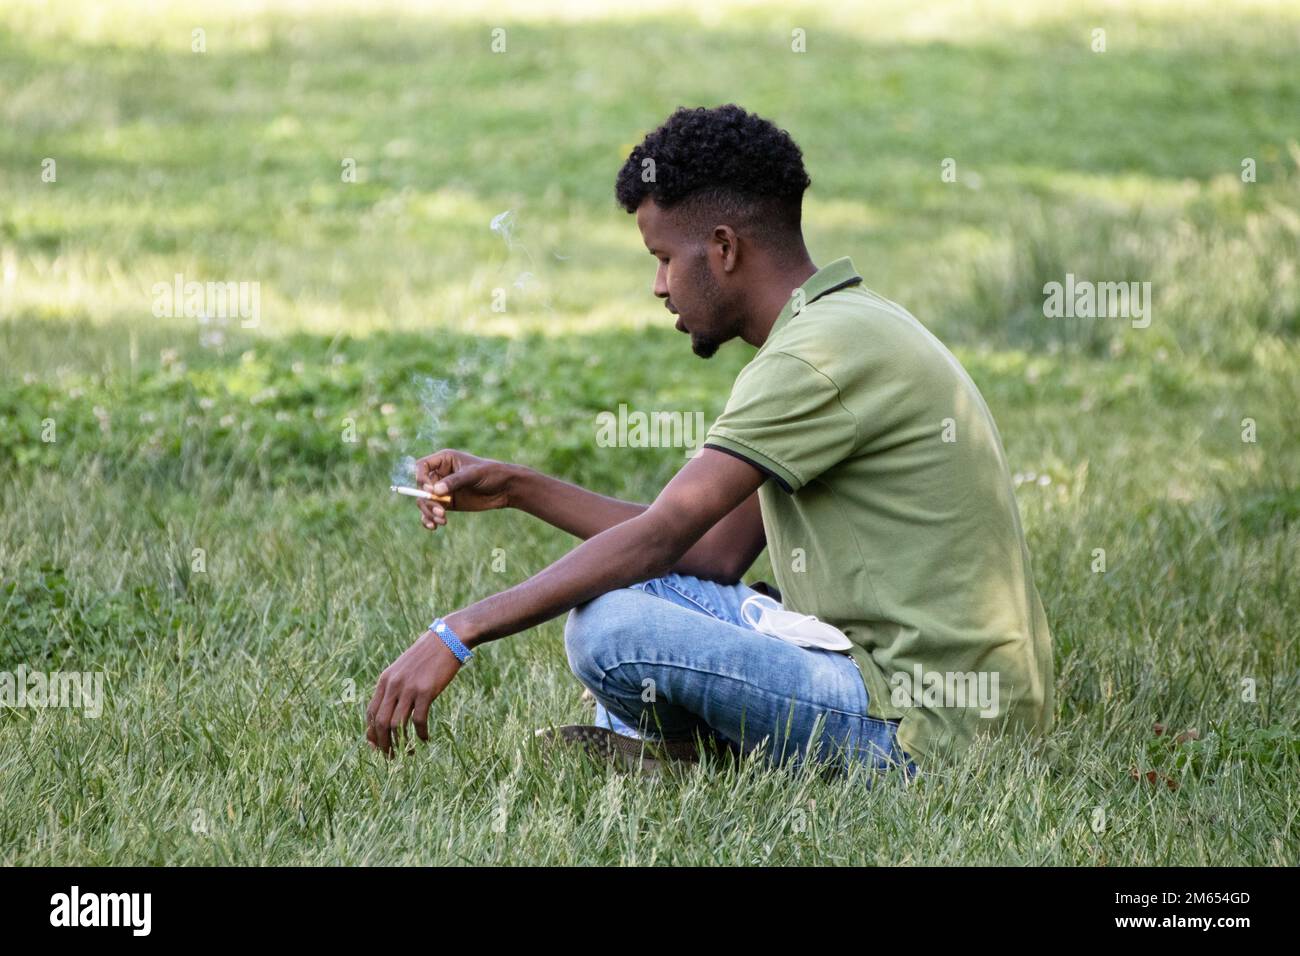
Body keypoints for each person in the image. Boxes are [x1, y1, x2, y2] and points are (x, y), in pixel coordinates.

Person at [365, 104, 1055, 774]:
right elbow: (711, 553)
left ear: (723, 248)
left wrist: (458, 630)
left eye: (664, 258)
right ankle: (700, 750)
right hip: (917, 693)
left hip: (927, 731)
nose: (659, 287)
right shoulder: (839, 327)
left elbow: (664, 536)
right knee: (645, 595)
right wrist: (518, 487)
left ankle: (702, 754)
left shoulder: (811, 359)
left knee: (610, 628)